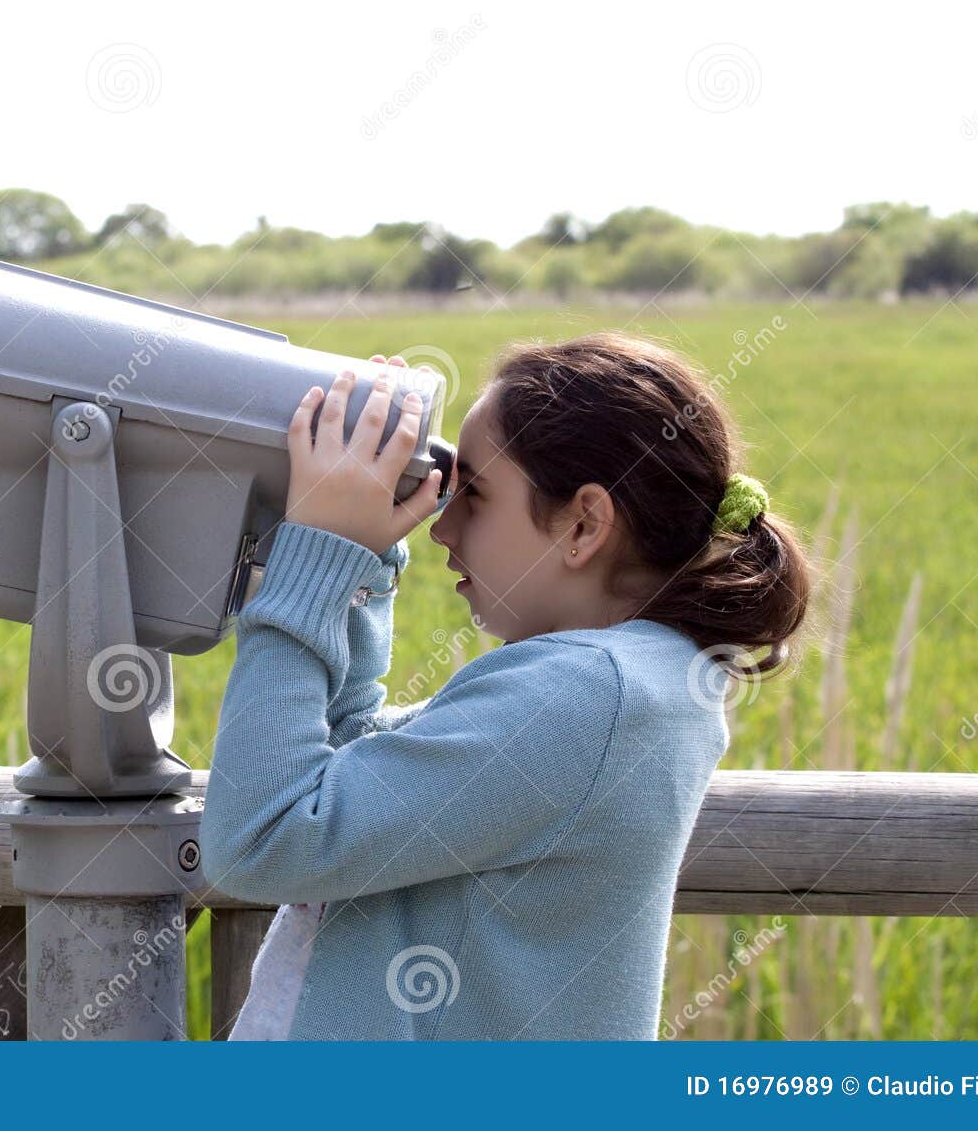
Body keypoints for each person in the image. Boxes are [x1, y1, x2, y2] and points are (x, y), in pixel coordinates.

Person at [199, 332, 814, 1039]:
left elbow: (263, 835)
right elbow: (345, 774)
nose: (442, 526)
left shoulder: (589, 696)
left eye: (476, 493)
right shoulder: (636, 687)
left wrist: (317, 556)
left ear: (584, 522)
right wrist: (354, 567)